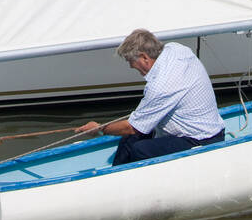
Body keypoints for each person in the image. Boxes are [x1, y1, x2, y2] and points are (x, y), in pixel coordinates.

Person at [79, 29, 225, 166]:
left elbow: (132, 128)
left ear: (144, 57)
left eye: (130, 61)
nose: (130, 66)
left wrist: (100, 129)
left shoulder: (160, 86)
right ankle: (115, 176)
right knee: (129, 141)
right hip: (201, 128)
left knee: (140, 149)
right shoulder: (176, 49)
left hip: (202, 139)